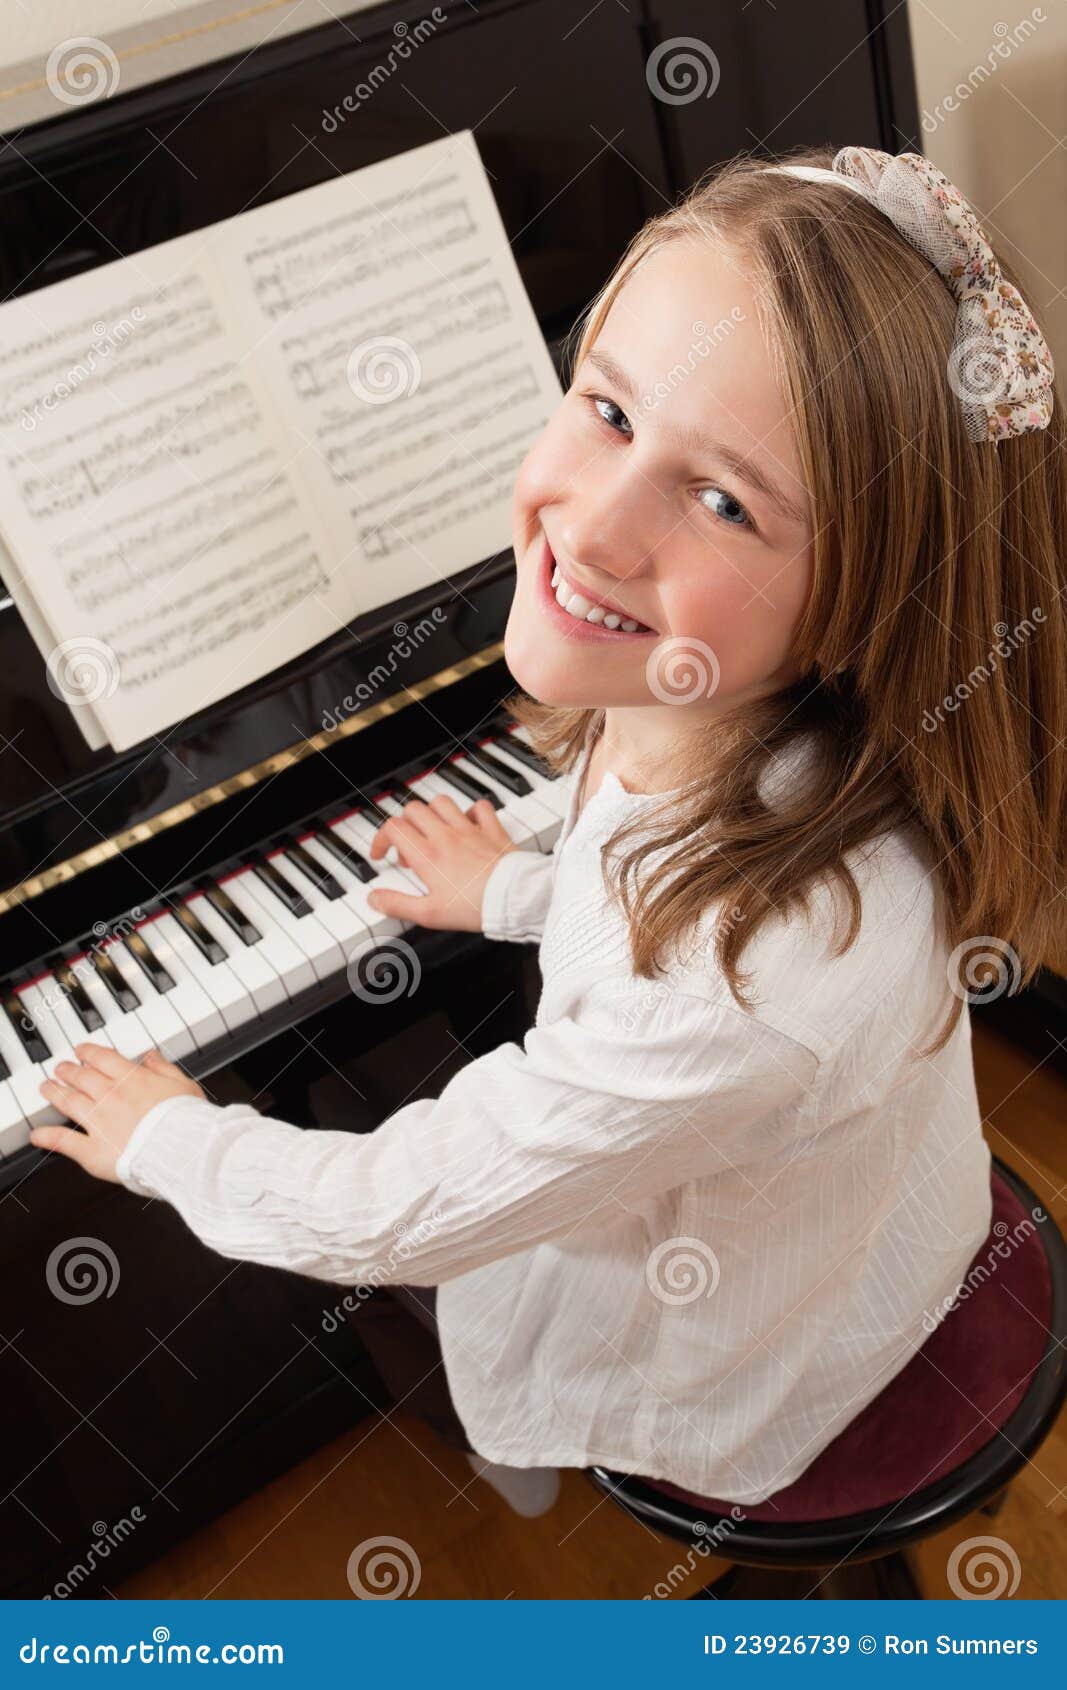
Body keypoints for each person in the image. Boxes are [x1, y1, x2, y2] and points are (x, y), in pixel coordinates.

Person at [30, 145, 1067, 1514]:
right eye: (610, 410)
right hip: (871, 1201)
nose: (595, 526)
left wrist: (171, 1138)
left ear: (868, 590)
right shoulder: (772, 718)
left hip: (764, 1343)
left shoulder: (741, 987)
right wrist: (521, 888)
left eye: (725, 500)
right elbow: (641, 869)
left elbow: (387, 1208)